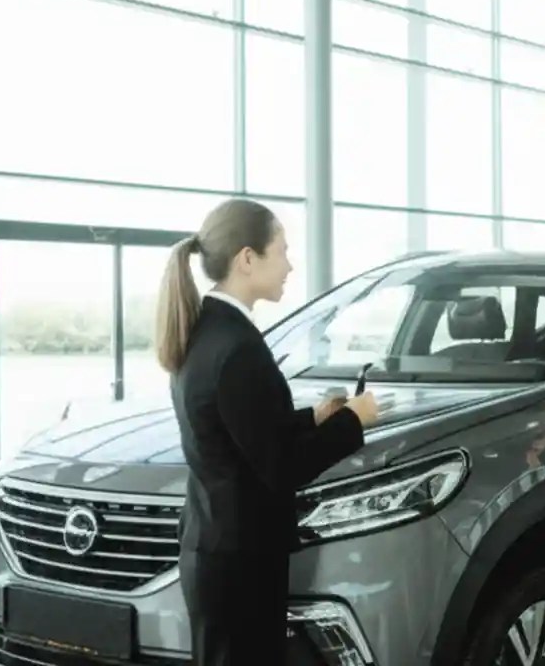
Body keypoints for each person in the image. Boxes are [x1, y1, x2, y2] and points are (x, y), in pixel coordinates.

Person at [154, 198, 382, 666]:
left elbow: (242, 434)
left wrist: (313, 418)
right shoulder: (238, 347)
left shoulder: (202, 334)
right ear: (247, 258)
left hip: (214, 548)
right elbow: (281, 467)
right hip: (241, 562)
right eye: (281, 251)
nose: (290, 265)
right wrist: (352, 420)